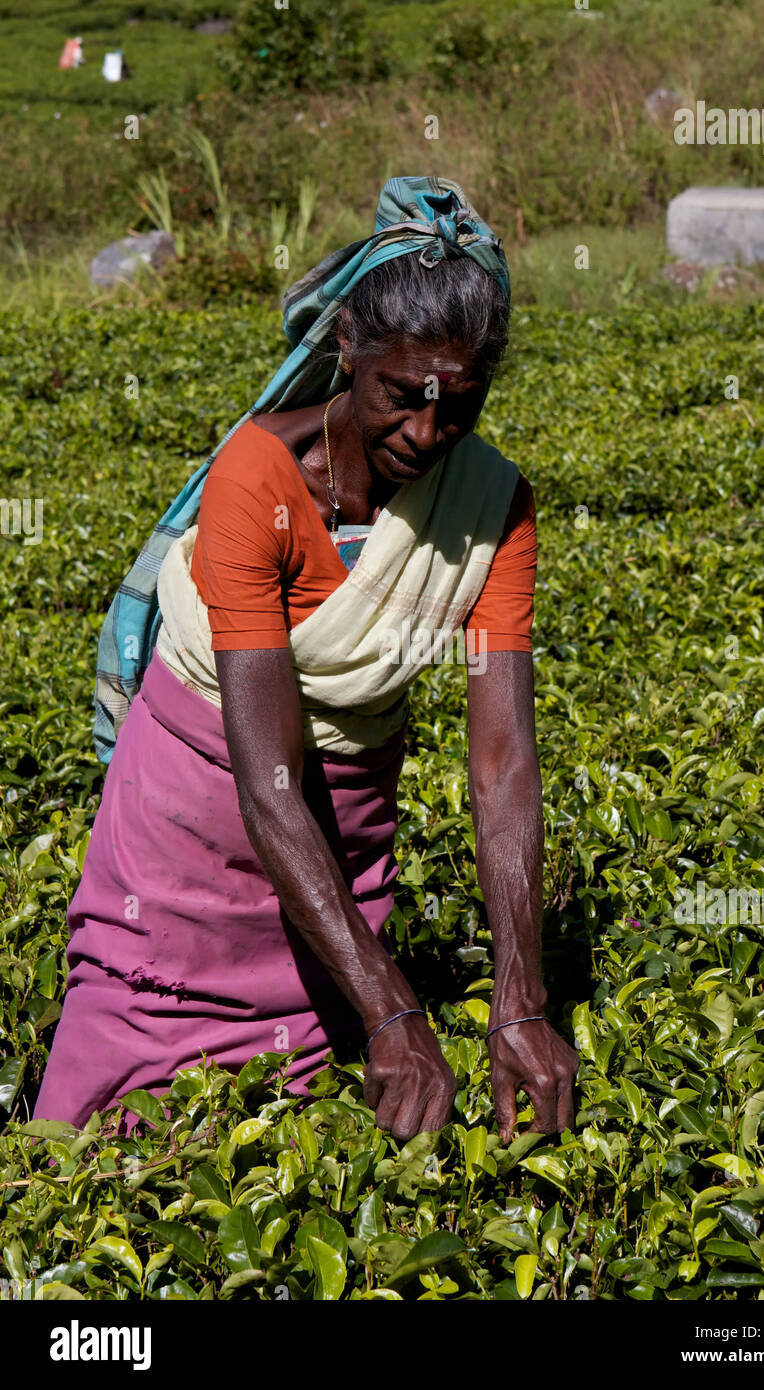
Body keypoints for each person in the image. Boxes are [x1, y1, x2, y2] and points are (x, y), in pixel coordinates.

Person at [33, 176, 579, 1144]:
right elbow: (269, 779)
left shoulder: (493, 510)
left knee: (314, 1129)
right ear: (346, 351)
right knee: (108, 1121)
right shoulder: (259, 478)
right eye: (397, 397)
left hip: (342, 859)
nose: (423, 434)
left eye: (457, 407)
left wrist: (520, 1000)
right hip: (188, 846)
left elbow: (501, 770)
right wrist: (395, 1009)